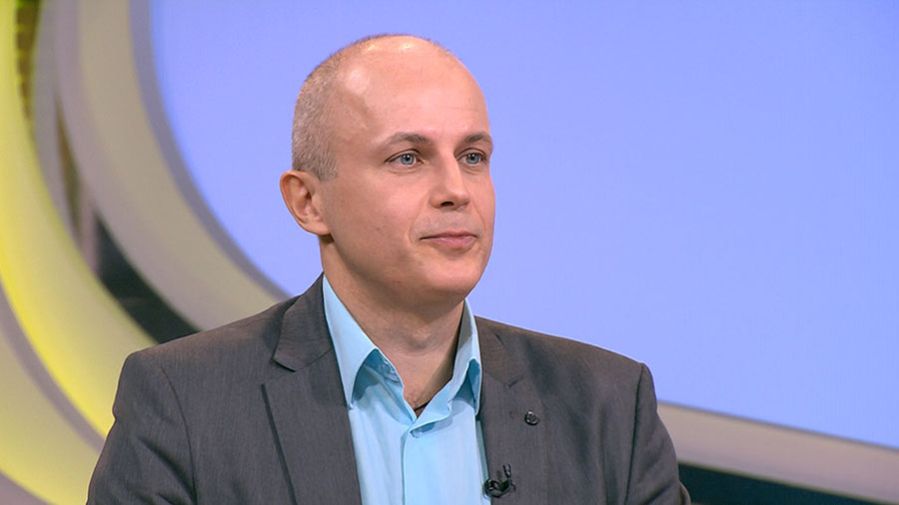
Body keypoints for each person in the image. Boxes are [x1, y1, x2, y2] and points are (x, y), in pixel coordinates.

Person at [88, 34, 690, 504]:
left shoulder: (609, 406)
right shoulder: (185, 402)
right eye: (408, 158)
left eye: (472, 156)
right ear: (308, 202)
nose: (456, 190)